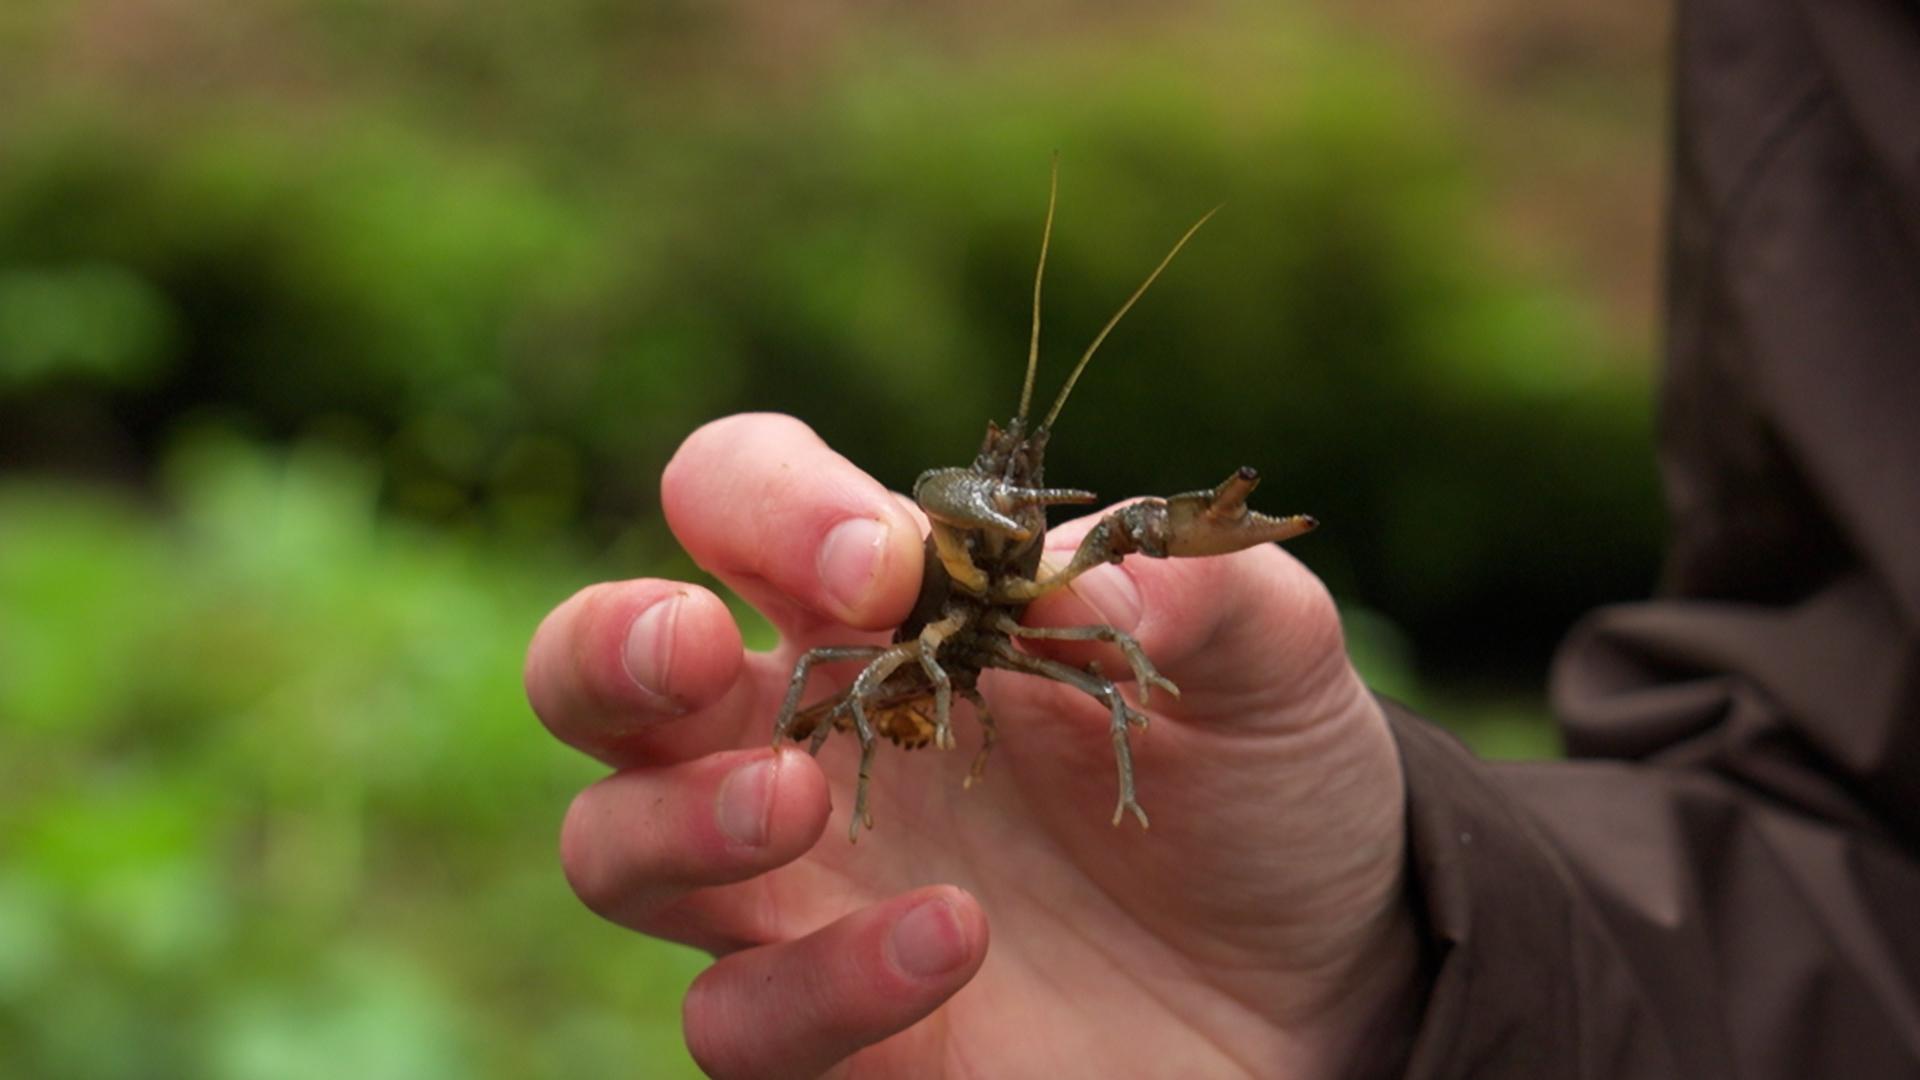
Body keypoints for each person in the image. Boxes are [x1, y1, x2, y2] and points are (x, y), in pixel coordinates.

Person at [524, 0, 1920, 1074]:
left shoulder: (1069, 563)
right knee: (846, 686)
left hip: (989, 654)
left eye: (1026, 489)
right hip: (927, 666)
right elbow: (1838, 804)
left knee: (1111, 670)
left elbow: (1111, 606)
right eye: (999, 490)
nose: (1016, 492)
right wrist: (1377, 991)